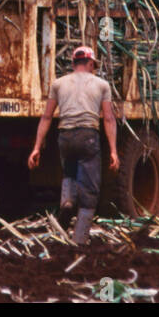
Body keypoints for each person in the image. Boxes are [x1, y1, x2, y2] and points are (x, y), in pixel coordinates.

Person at [27, 46, 120, 246]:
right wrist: (113, 151)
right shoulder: (102, 85)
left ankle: (67, 201)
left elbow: (47, 116)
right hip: (88, 136)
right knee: (90, 191)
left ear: (73, 63)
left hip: (65, 136)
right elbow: (109, 119)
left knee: (69, 169)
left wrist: (36, 147)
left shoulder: (58, 84)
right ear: (90, 63)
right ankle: (79, 240)